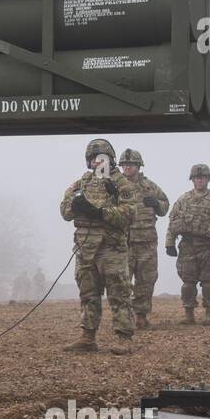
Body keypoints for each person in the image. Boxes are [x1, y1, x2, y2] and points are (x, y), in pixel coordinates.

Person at [60, 138, 135, 354]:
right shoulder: (82, 183)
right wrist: (74, 204)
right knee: (88, 293)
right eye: (94, 159)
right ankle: (88, 336)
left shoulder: (121, 185)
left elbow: (129, 215)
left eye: (102, 158)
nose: (97, 162)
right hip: (85, 248)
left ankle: (124, 337)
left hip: (111, 248)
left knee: (119, 293)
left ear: (111, 160)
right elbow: (66, 212)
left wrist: (101, 213)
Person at [164, 164, 210, 324]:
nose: (199, 180)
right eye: (196, 178)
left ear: (208, 179)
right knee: (187, 283)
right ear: (192, 180)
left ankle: (209, 312)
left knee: (208, 282)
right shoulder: (183, 200)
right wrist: (169, 243)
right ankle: (188, 314)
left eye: (203, 177)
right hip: (187, 246)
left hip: (208, 246)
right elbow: (173, 222)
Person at [118, 148, 169, 328]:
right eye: (124, 165)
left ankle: (140, 315)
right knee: (122, 281)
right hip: (124, 242)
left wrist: (157, 204)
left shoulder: (150, 186)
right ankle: (123, 318)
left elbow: (165, 206)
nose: (127, 168)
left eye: (131, 165)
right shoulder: (115, 186)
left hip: (147, 242)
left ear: (138, 166)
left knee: (146, 280)